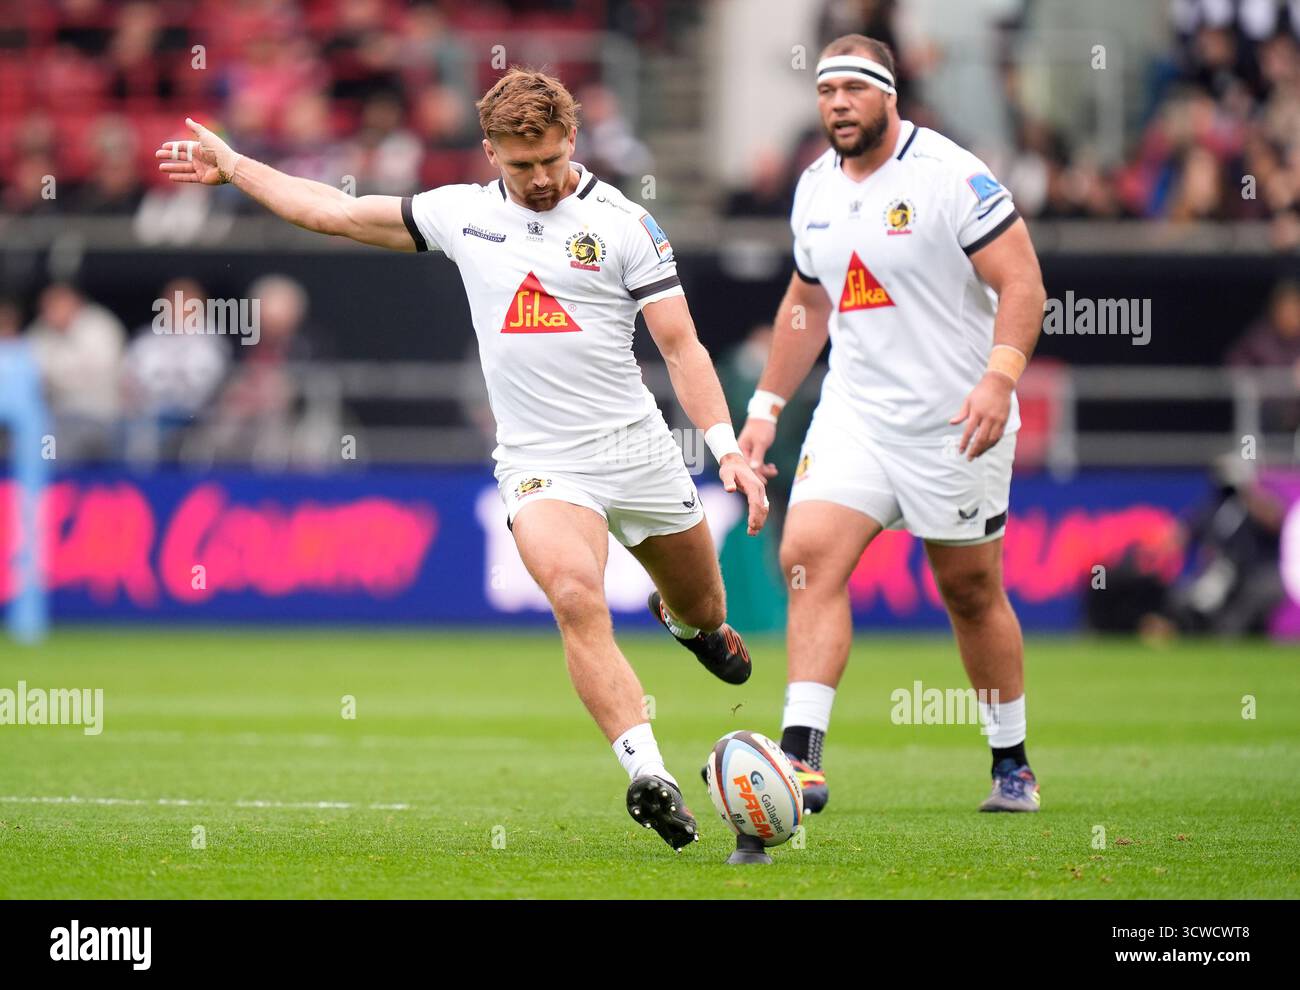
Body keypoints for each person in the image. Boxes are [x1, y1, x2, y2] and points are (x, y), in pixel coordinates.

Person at [154, 67, 768, 851]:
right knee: (576, 597)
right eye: (520, 165)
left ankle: (689, 627)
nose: (539, 178)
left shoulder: (624, 224)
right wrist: (235, 166)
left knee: (705, 607)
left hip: (636, 451)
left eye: (549, 158)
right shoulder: (460, 214)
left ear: (571, 139)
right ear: (489, 152)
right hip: (541, 462)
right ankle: (649, 774)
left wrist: (726, 449)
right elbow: (336, 211)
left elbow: (680, 346)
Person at [737, 35, 1047, 813]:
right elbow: (807, 302)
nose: (837, 102)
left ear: (890, 94)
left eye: (854, 88)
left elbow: (1023, 283)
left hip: (955, 420)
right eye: (826, 89)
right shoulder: (812, 186)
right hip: (857, 414)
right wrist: (766, 409)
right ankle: (801, 758)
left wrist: (997, 382)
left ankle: (1011, 760)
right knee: (806, 555)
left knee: (970, 593)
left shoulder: (951, 177)